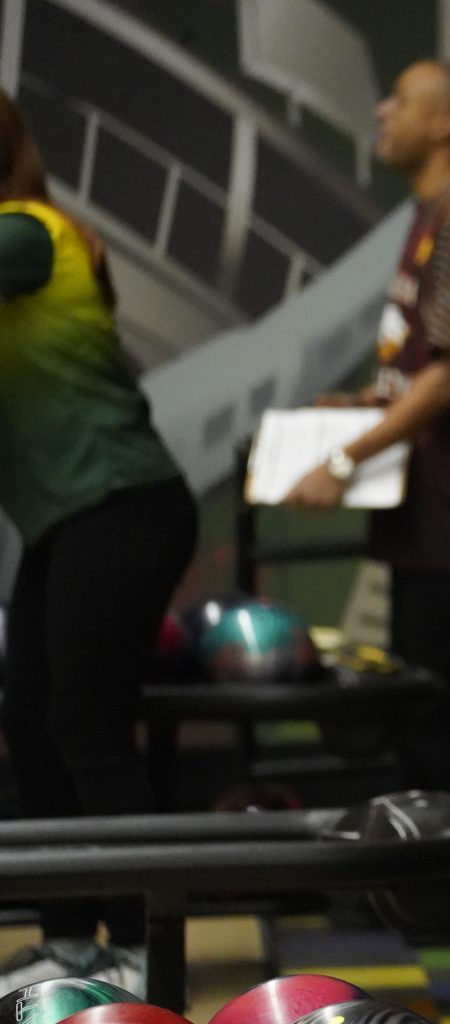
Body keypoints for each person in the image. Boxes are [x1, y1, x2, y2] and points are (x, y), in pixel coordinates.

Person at [285, 61, 450, 817]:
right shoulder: (435, 211)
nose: (382, 109)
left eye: (401, 100)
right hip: (428, 520)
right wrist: (370, 400)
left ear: (445, 125)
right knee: (428, 714)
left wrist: (344, 457)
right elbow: (431, 364)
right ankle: (437, 885)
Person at [0, 86, 198, 992]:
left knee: (85, 723)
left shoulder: (30, 232)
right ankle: (72, 939)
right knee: (33, 725)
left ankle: (138, 949)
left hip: (121, 507)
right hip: (70, 519)